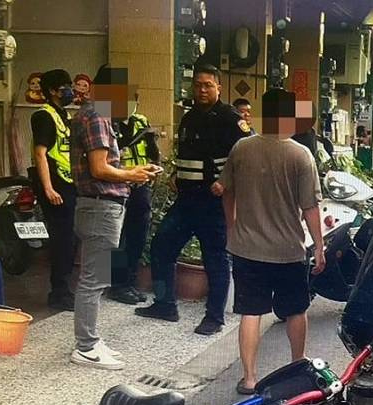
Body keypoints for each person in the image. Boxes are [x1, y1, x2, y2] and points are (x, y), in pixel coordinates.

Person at [217, 89, 324, 394]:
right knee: (296, 310)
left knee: (251, 313)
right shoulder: (300, 155)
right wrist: (319, 246)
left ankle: (250, 378)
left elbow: (227, 191)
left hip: (247, 249)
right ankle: (297, 368)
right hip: (288, 250)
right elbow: (310, 207)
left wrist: (232, 226)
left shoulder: (242, 148)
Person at [136, 65, 251, 335]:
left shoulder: (230, 119)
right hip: (186, 201)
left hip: (213, 205)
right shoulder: (188, 118)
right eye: (198, 85)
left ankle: (214, 317)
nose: (201, 89)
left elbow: (247, 155)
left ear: (219, 87)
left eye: (207, 85)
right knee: (162, 246)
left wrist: (226, 183)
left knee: (216, 260)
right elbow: (188, 153)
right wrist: (177, 174)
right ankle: (165, 304)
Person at [69, 66, 158, 370]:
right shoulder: (97, 115)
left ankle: (91, 339)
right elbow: (100, 168)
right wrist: (132, 174)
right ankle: (85, 346)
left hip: (97, 205)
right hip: (100, 205)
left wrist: (134, 174)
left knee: (96, 277)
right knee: (94, 280)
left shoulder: (91, 112)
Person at [105, 87, 160, 305]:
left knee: (137, 235)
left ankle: (130, 282)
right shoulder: (108, 123)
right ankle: (117, 286)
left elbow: (152, 149)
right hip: (116, 186)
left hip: (140, 186)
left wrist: (154, 168)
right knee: (117, 238)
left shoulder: (140, 121)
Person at [28, 68, 77, 311]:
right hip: (55, 186)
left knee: (69, 239)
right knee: (61, 240)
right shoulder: (44, 115)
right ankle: (58, 292)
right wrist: (47, 188)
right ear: (52, 91)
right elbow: (40, 153)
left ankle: (64, 288)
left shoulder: (62, 114)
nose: (70, 90)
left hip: (68, 183)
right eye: (65, 86)